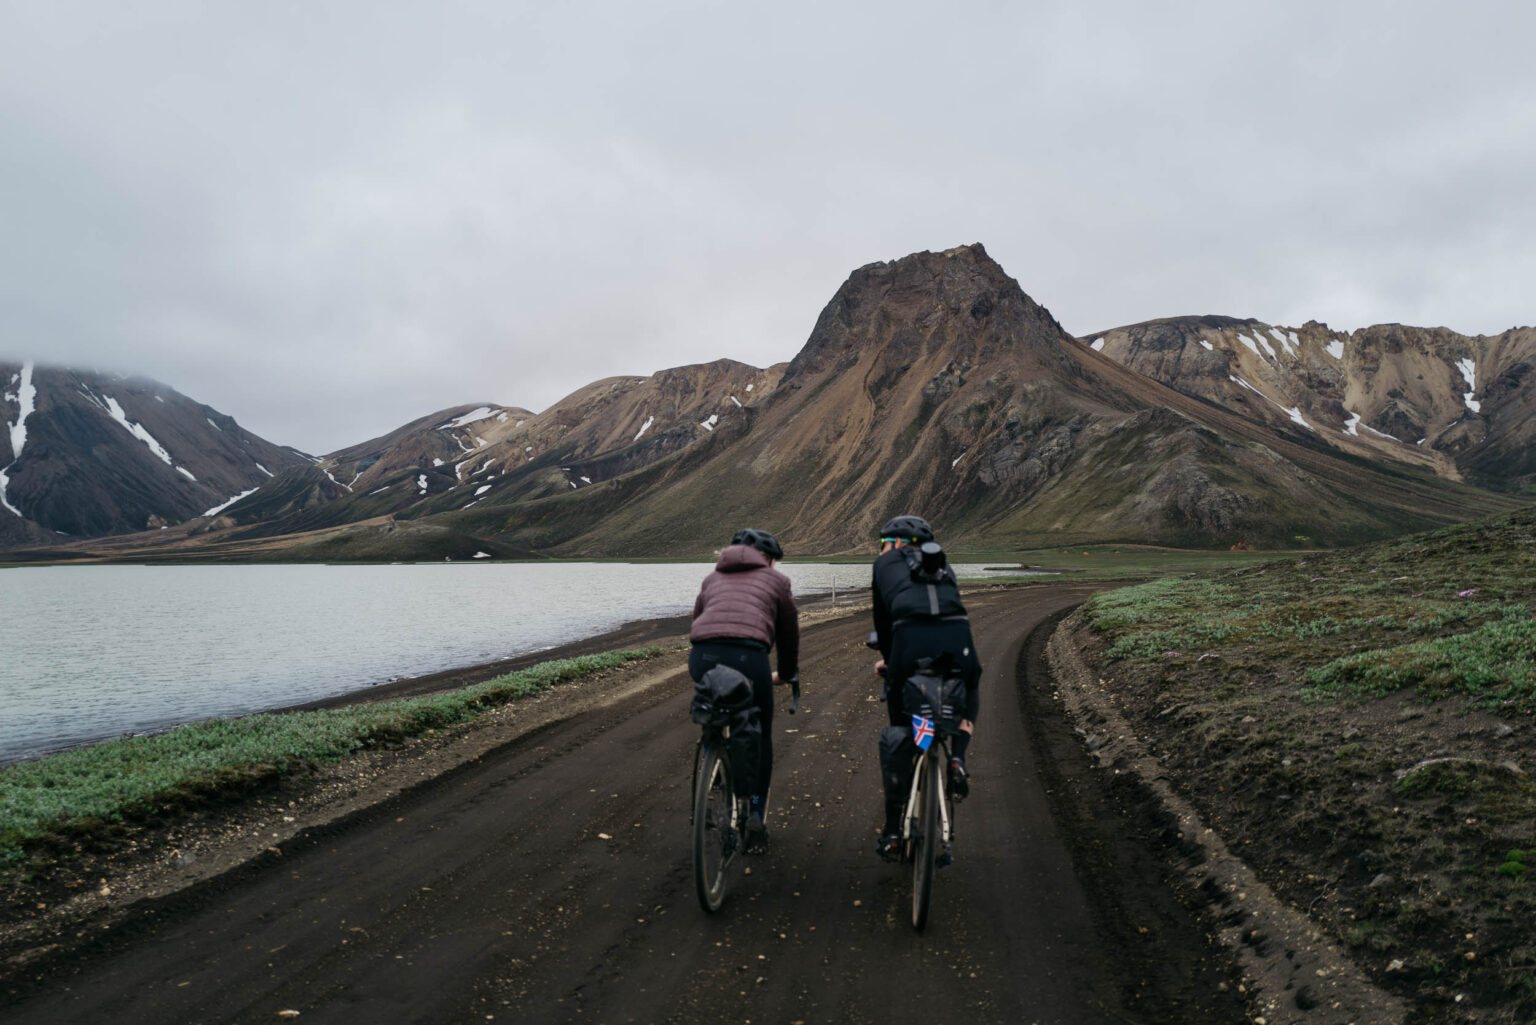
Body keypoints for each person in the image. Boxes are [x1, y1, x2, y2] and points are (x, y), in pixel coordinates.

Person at [870, 514, 981, 860]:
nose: (882, 549)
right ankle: (957, 759)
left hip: (909, 640)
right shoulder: (945, 565)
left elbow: (883, 622)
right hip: (958, 636)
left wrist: (888, 660)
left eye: (883, 543)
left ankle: (893, 830)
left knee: (903, 726)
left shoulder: (884, 563)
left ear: (894, 542)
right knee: (970, 682)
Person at [689, 528, 800, 853]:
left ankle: (712, 756)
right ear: (769, 559)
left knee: (715, 709)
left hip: (703, 657)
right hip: (749, 657)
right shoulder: (777, 581)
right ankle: (754, 816)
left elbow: (698, 621)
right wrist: (786, 674)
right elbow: (788, 635)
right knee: (761, 735)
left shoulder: (711, 579)